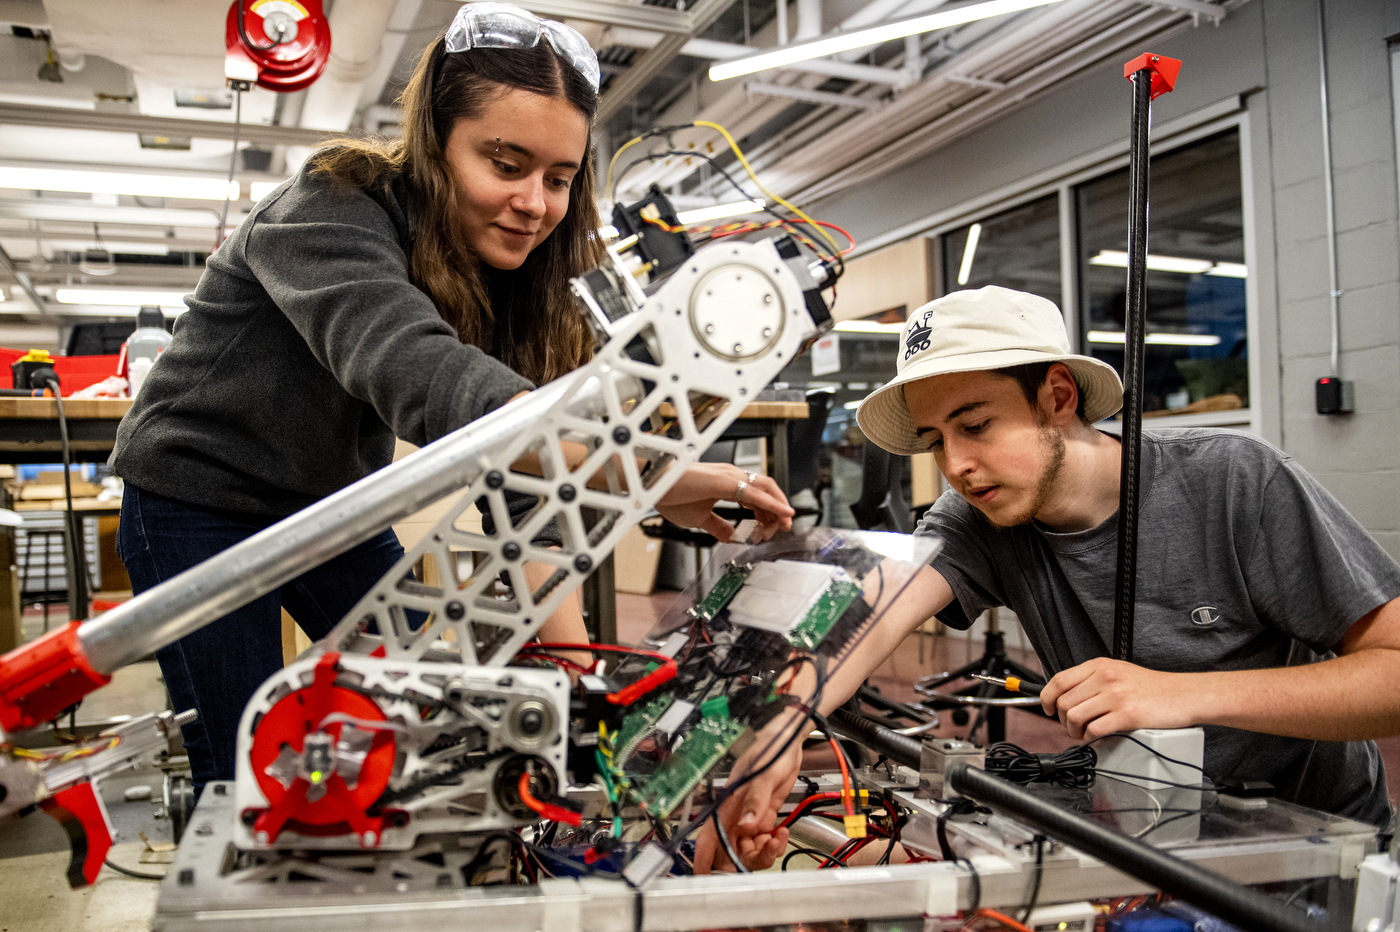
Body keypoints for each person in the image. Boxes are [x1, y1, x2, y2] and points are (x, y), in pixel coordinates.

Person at [111, 2, 793, 794]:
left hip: (329, 504)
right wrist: (650, 476)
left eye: (559, 179)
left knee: (417, 716)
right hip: (195, 501)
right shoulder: (328, 209)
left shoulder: (502, 268)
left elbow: (530, 497)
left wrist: (580, 690)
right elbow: (430, 380)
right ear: (436, 143)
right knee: (244, 768)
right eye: (505, 164)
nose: (534, 202)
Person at [695, 285, 1400, 871]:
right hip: (1147, 844)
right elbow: (867, 613)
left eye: (976, 425)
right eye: (937, 440)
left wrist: (1180, 695)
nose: (956, 466)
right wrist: (778, 730)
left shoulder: (1236, 483)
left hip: (1315, 853)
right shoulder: (978, 518)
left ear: (1059, 395)